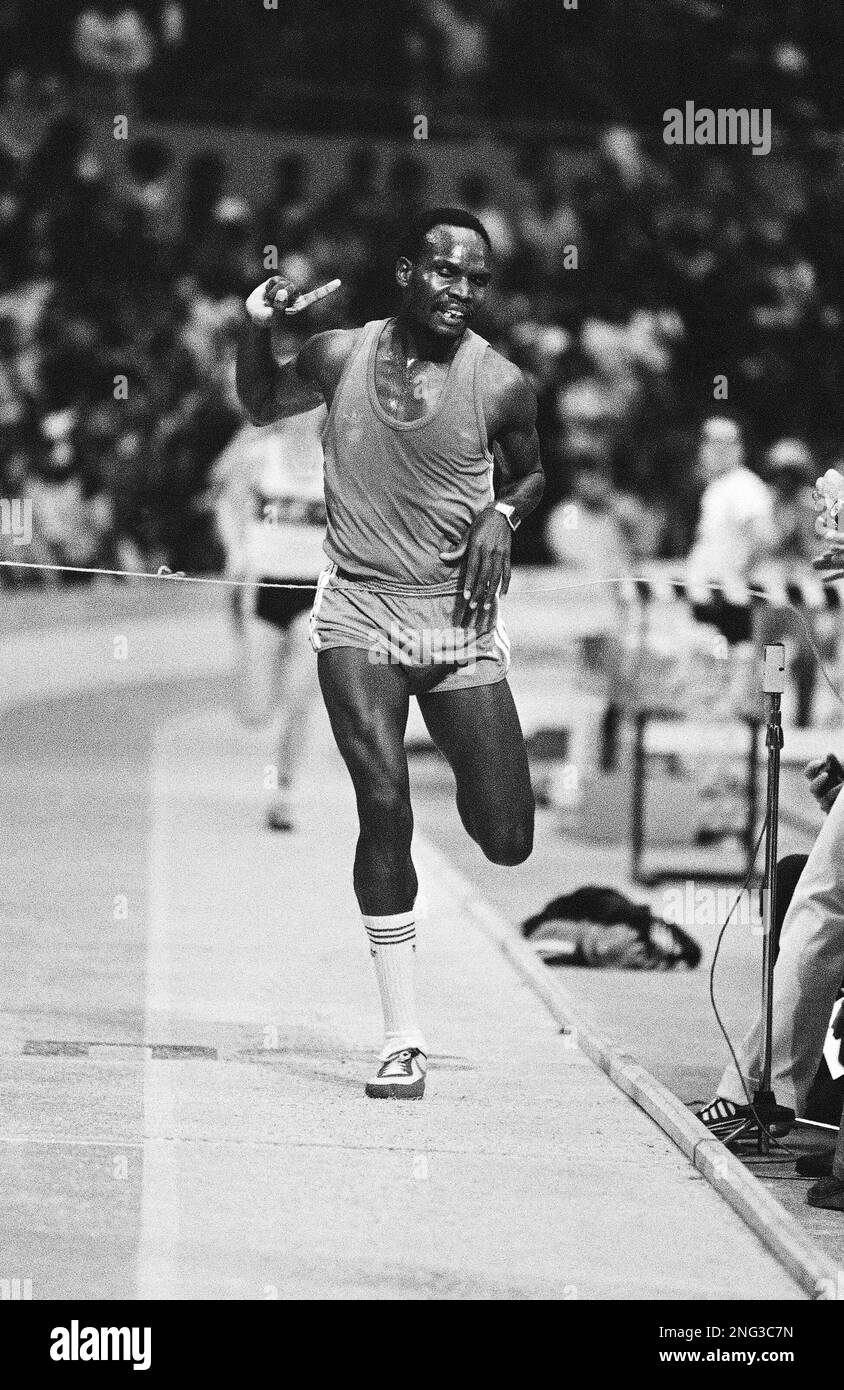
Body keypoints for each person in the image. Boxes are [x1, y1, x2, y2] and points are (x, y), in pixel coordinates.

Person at [236, 207, 544, 1099]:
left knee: (508, 838)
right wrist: (252, 328)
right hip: (359, 614)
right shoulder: (338, 356)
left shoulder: (502, 384)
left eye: (478, 280)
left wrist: (504, 513)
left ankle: (407, 1014)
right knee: (385, 800)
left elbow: (532, 468)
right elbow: (260, 403)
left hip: (456, 623)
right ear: (409, 271)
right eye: (447, 273)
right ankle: (400, 1037)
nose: (462, 292)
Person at [211, 397, 327, 832]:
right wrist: (237, 551)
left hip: (314, 590)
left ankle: (283, 794)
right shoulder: (260, 456)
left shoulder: (335, 462)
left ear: (321, 411)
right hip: (265, 590)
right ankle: (259, 667)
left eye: (310, 406)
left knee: (300, 698)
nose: (301, 414)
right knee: (256, 713)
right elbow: (227, 507)